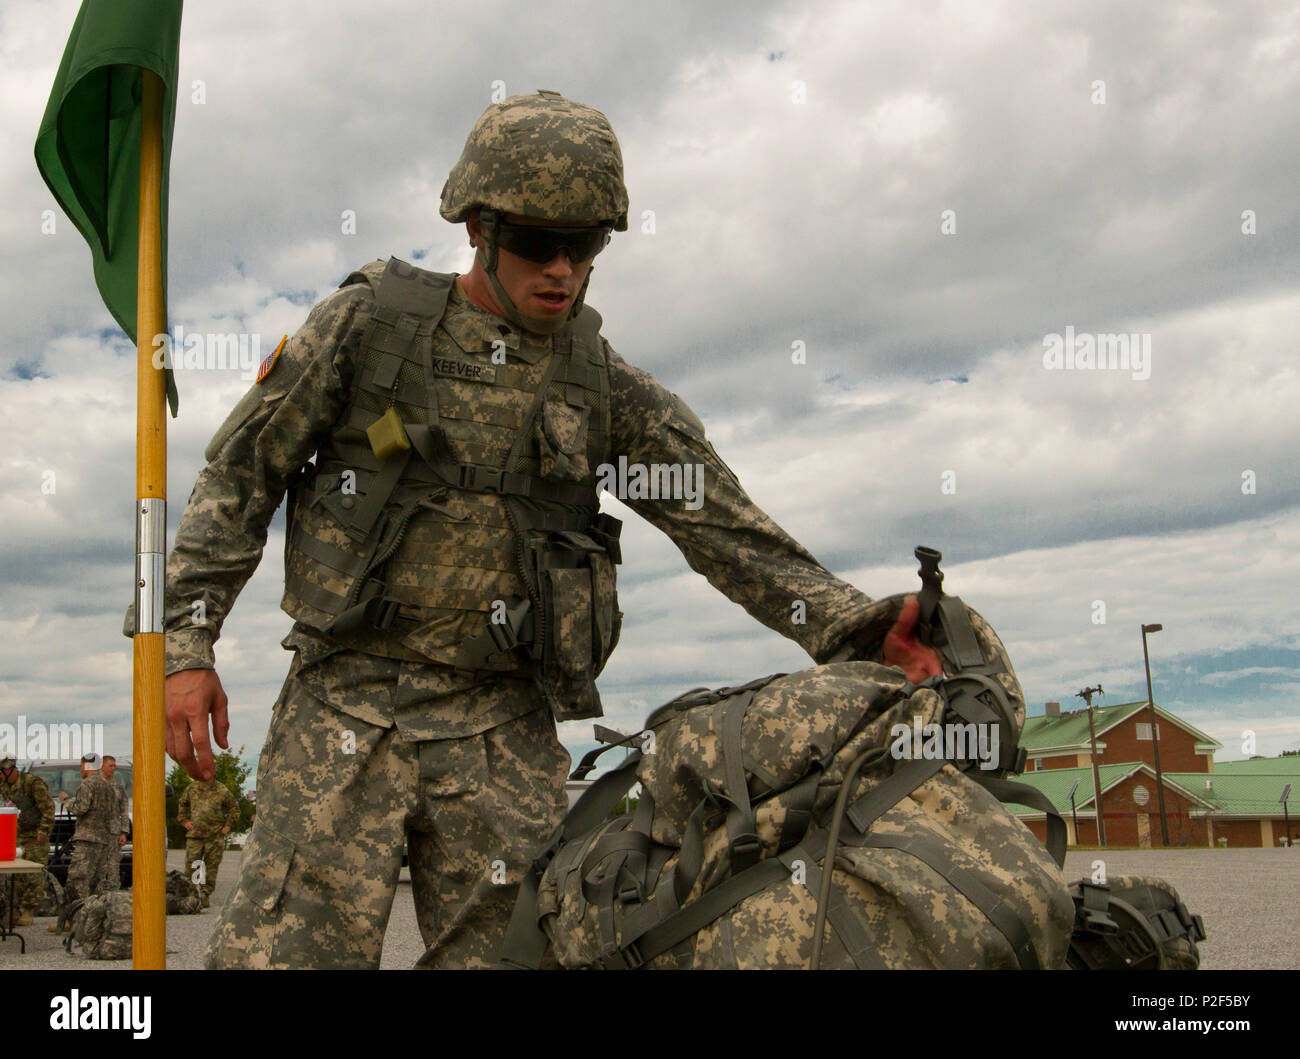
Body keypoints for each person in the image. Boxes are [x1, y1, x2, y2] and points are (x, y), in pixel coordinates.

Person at [162, 91, 942, 969]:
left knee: (525, 961)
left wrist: (855, 626)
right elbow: (239, 472)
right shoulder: (370, 328)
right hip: (346, 712)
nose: (562, 270)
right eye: (538, 242)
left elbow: (720, 522)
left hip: (503, 731)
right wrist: (184, 646)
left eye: (588, 244)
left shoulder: (600, 384)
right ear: (478, 229)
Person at [49, 753, 116, 932]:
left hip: (87, 839)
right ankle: (93, 923)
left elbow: (81, 808)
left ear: (86, 766)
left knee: (76, 882)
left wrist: (65, 800)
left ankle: (71, 921)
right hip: (103, 840)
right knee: (96, 884)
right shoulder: (108, 787)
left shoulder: (88, 784)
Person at [0, 756, 54, 927]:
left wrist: (44, 831)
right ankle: (12, 910)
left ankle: (29, 910)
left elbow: (48, 808)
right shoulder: (4, 786)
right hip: (16, 835)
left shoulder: (31, 783)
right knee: (14, 874)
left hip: (35, 835)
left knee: (33, 873)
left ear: (9, 770)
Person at [176, 777, 238, 908]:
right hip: (195, 835)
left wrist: (228, 826)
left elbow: (234, 808)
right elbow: (182, 803)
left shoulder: (222, 790)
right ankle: (192, 895)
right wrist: (184, 820)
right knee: (193, 865)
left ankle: (205, 894)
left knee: (211, 866)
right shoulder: (192, 788)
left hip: (214, 836)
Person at [98, 756, 130, 892]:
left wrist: (124, 831)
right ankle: (97, 891)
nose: (113, 769)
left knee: (113, 864)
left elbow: (124, 809)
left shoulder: (118, 787)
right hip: (97, 830)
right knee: (98, 864)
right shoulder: (94, 784)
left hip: (114, 831)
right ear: (102, 766)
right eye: (110, 766)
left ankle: (113, 892)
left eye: (114, 766)